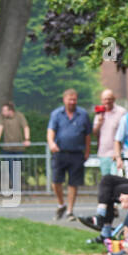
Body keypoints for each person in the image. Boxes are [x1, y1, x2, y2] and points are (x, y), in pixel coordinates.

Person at [47, 88, 91, 219]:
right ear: (64, 100)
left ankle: (70, 211)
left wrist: (87, 151)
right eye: (70, 99)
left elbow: (87, 135)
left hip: (77, 153)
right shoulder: (56, 114)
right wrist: (51, 143)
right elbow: (50, 131)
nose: (72, 102)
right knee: (56, 181)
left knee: (73, 183)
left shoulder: (83, 114)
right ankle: (61, 204)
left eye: (74, 99)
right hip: (60, 152)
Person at [92, 89, 127, 177]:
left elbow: (126, 132)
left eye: (109, 98)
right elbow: (95, 133)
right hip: (104, 153)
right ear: (101, 100)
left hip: (118, 153)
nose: (107, 101)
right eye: (105, 99)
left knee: (116, 179)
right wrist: (99, 122)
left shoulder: (121, 112)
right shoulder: (99, 113)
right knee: (106, 181)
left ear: (114, 99)